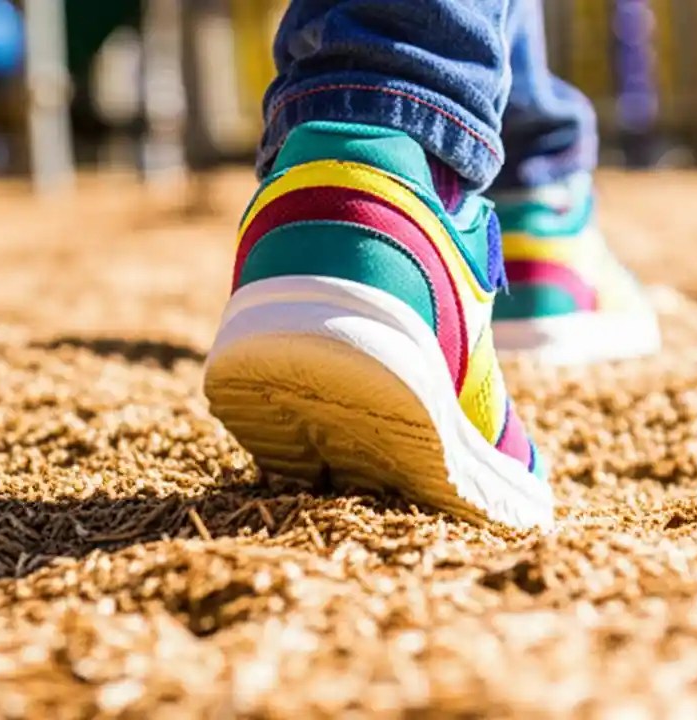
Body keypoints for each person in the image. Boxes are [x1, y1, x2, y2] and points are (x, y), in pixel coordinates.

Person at [202, 0, 661, 531]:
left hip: (283, 223)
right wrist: (390, 92)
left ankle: (332, 176)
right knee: (392, 92)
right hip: (403, 189)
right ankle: (414, 166)